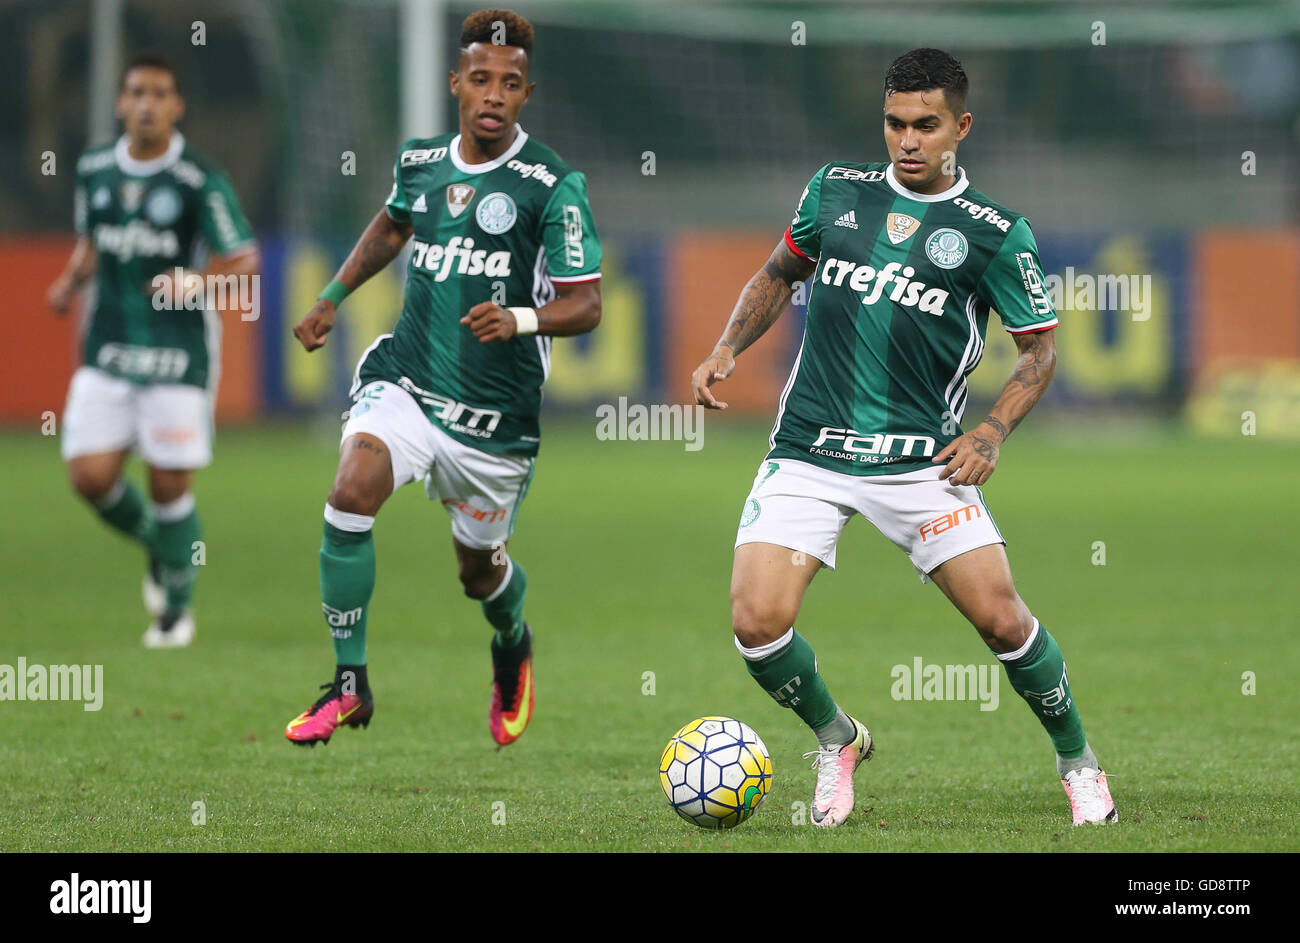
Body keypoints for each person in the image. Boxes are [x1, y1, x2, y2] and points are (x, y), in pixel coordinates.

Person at [691, 48, 1115, 828]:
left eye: (927, 126)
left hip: (922, 462)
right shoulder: (834, 191)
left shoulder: (994, 233)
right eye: (894, 123)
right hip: (810, 450)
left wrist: (991, 428)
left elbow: (1040, 348)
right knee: (755, 621)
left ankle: (1078, 760)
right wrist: (726, 346)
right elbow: (779, 273)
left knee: (1002, 620)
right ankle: (838, 739)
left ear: (962, 126)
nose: (908, 141)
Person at [285, 9, 602, 749]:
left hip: (496, 421)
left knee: (478, 573)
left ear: (527, 95)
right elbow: (394, 223)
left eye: (511, 84)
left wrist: (520, 318)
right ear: (455, 82)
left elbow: (586, 302)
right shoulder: (421, 161)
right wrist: (332, 297)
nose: (494, 94)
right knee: (350, 492)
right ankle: (350, 681)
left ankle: (512, 641)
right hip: (411, 384)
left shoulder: (551, 183)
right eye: (482, 79)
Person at [47, 53, 259, 648]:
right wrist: (69, 281)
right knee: (89, 477)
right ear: (120, 102)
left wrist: (197, 281)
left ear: (176, 106)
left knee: (169, 484)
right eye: (136, 92)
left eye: (159, 93)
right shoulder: (93, 169)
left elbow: (244, 261)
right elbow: (93, 242)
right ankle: (156, 545)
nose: (147, 104)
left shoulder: (198, 179)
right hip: (108, 343)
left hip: (177, 349)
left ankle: (176, 611)